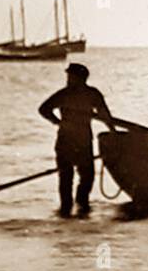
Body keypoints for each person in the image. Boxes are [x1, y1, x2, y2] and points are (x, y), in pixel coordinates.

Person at [38, 63, 115, 216]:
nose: (68, 79)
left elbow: (104, 114)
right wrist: (57, 122)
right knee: (67, 178)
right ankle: (68, 209)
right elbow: (44, 109)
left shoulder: (90, 94)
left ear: (80, 78)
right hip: (68, 140)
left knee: (86, 177)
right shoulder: (66, 94)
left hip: (82, 140)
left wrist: (113, 131)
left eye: (70, 76)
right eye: (68, 76)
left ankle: (80, 205)